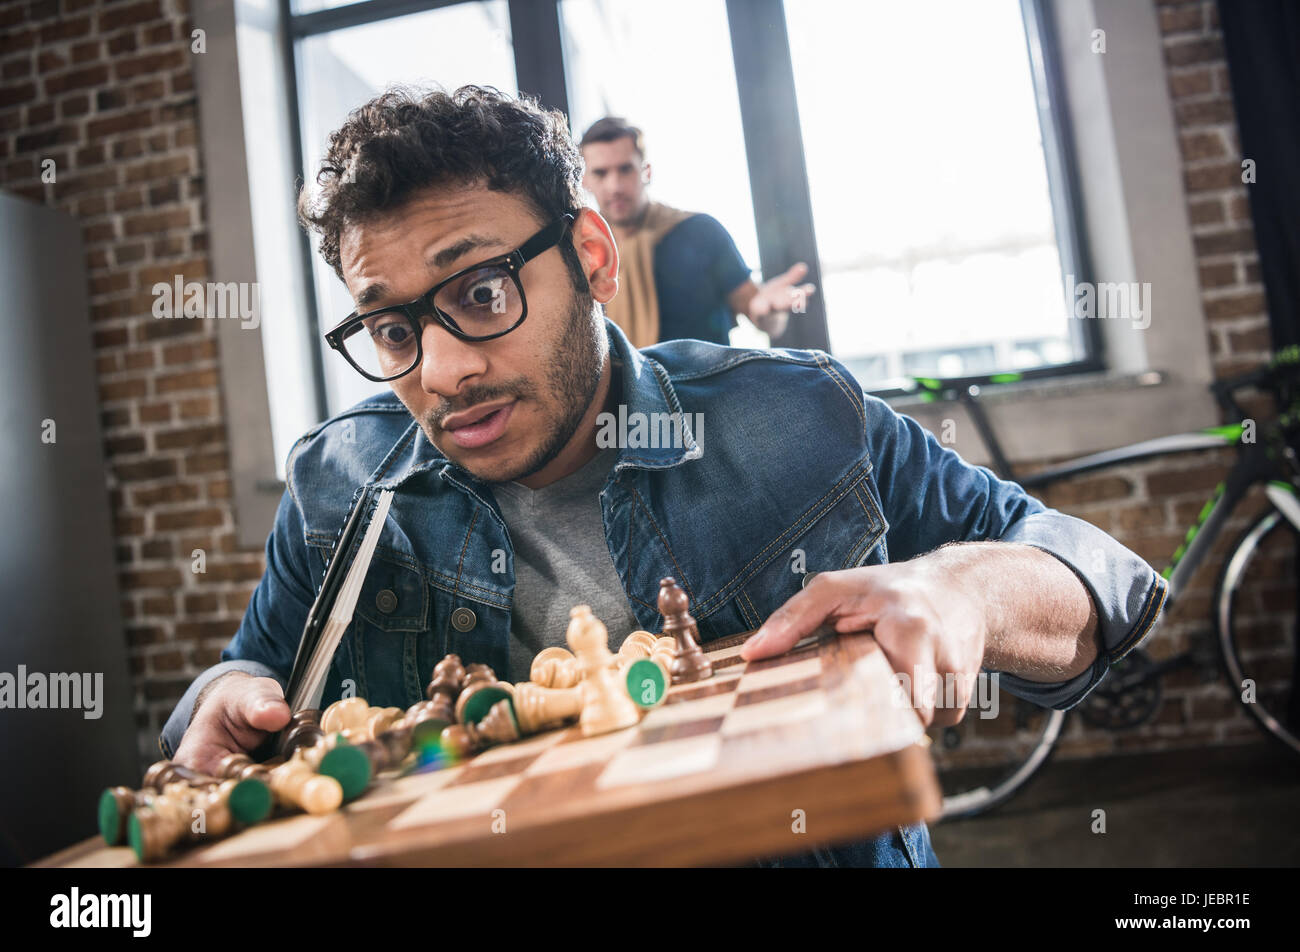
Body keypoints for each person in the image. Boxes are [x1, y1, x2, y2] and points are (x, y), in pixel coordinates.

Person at [161, 86, 1166, 868]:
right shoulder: (339, 482)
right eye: (391, 327)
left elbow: (1101, 582)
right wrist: (225, 692)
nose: (443, 370)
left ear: (589, 254)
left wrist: (968, 588)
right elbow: (250, 677)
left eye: (480, 291)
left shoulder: (795, 416)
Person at [579, 116, 814, 348]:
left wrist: (770, 312)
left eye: (625, 169)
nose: (615, 186)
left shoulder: (701, 232)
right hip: (622, 387)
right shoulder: (580, 252)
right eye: (601, 173)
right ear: (585, 180)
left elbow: (762, 316)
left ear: (646, 172)